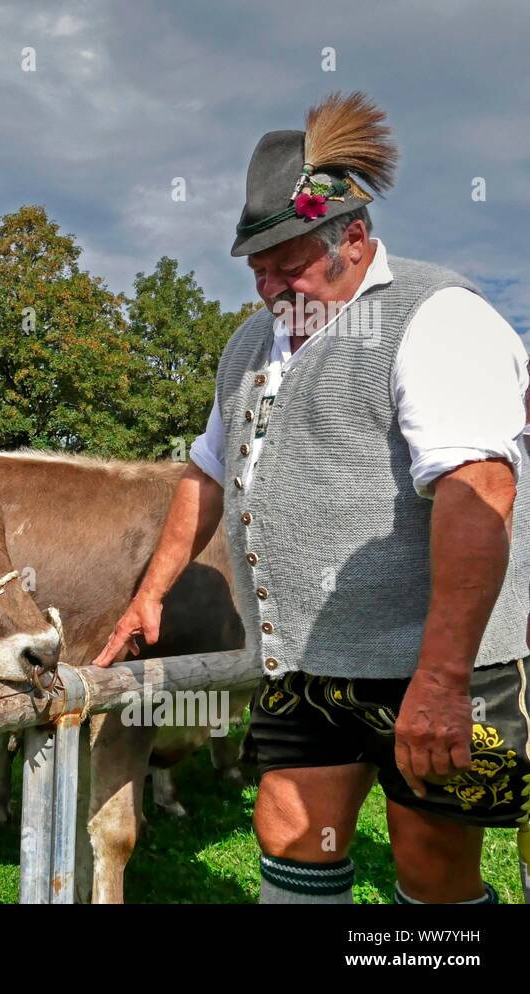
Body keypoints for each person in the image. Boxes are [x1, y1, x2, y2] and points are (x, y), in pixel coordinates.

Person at [95, 92, 530, 904]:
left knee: (431, 860)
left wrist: (442, 680)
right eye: (255, 267)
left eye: (285, 264)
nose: (266, 286)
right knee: (291, 828)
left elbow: (481, 495)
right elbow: (207, 471)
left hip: (425, 663)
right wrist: (149, 594)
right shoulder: (252, 343)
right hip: (304, 659)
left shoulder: (437, 319)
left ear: (354, 240)